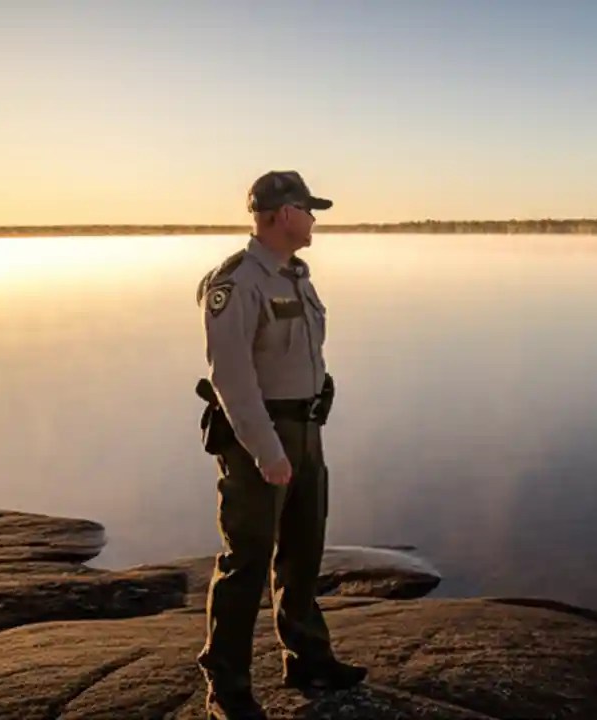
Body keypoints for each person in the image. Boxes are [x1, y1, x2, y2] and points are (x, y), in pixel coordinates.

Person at [194, 170, 366, 720]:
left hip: (305, 429)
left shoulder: (296, 276)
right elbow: (232, 378)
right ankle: (227, 688)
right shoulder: (238, 281)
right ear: (285, 214)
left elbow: (299, 353)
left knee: (303, 551)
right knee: (246, 561)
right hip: (258, 437)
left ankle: (309, 658)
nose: (315, 220)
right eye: (309, 210)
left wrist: (321, 391)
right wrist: (267, 452)